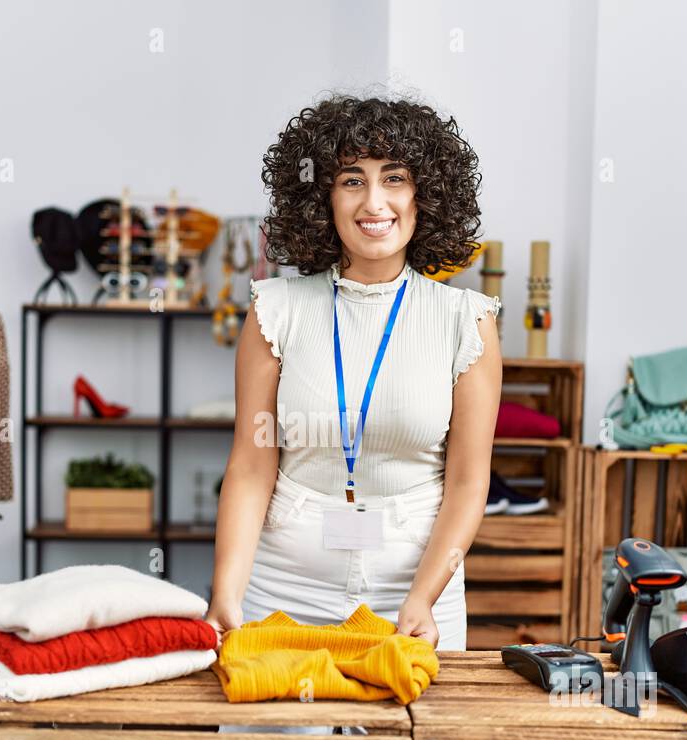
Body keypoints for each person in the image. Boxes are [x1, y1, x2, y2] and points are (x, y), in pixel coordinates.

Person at [205, 93, 502, 656]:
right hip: (283, 590)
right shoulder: (275, 311)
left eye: (394, 178)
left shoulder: (468, 322)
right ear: (323, 198)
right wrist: (226, 590)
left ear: (425, 195)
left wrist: (423, 598)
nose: (374, 202)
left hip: (414, 593)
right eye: (351, 180)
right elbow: (250, 463)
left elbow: (468, 483)